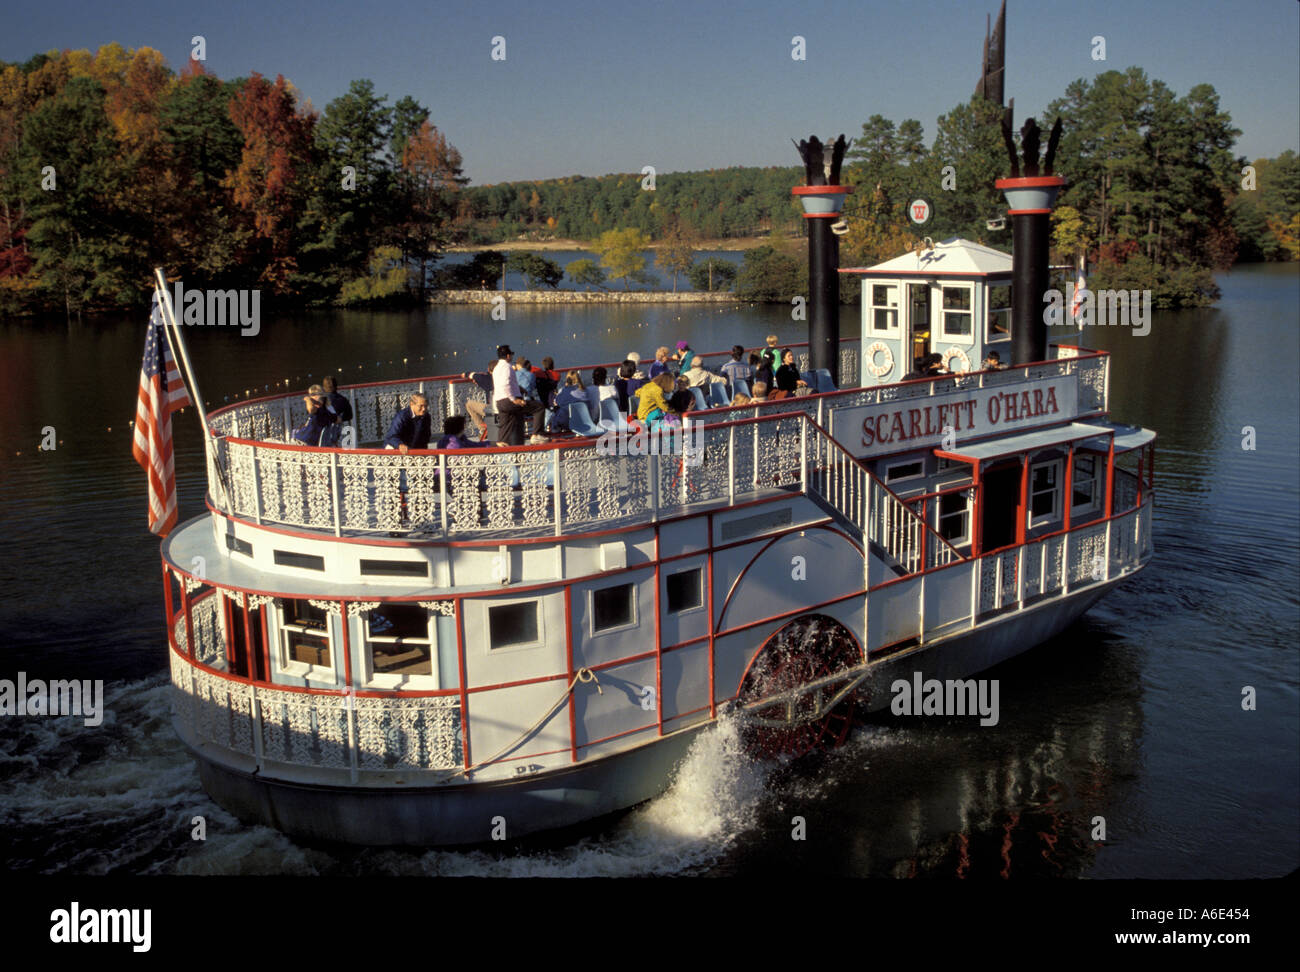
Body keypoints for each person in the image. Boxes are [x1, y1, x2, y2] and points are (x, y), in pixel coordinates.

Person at [494, 345, 543, 444]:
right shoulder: (507, 367)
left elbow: (503, 384)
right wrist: (513, 399)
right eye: (511, 354)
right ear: (508, 356)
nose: (512, 357)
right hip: (509, 401)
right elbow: (505, 384)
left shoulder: (496, 368)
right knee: (539, 407)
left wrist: (520, 389)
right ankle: (536, 435)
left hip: (500, 402)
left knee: (505, 427)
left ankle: (501, 445)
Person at [319, 376, 352, 447]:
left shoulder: (322, 401)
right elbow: (349, 416)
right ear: (336, 386)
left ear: (324, 388)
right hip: (337, 433)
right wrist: (340, 419)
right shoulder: (343, 399)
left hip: (324, 434)